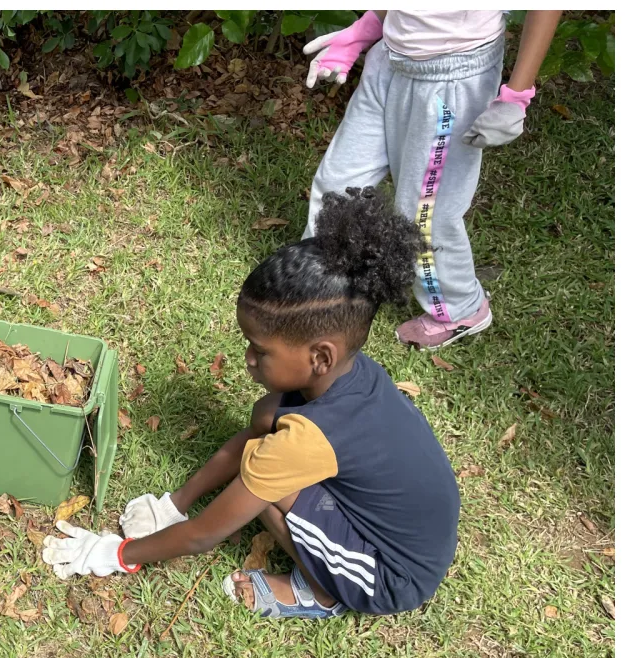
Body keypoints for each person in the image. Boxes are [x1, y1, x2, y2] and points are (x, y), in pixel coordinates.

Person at [41, 188, 460, 619]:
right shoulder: (354, 373)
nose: (247, 359)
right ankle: (302, 544)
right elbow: (261, 421)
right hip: (411, 529)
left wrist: (117, 553)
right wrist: (174, 504)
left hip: (389, 573)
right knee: (265, 428)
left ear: (320, 356)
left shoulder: (305, 442)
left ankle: (322, 592)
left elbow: (204, 534)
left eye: (260, 350)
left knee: (262, 467)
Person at [301, 10, 563, 350]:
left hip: (452, 79)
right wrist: (369, 26)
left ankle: (459, 309)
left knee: (423, 216)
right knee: (337, 185)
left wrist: (517, 95)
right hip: (390, 60)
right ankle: (317, 289)